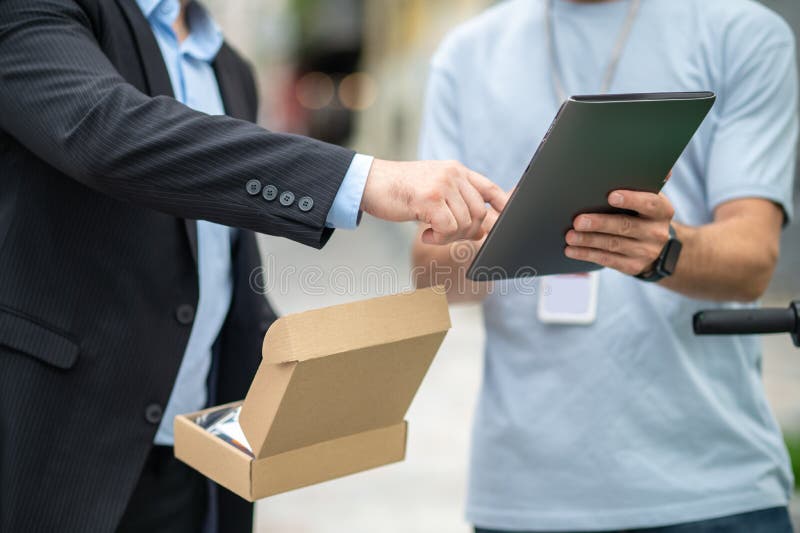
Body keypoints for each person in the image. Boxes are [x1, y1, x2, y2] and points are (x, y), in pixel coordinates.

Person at [0, 1, 507, 532]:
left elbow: (218, 264)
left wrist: (311, 379)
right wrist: (359, 180)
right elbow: (105, 132)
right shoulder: (39, 11)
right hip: (54, 448)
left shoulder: (228, 67)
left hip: (195, 461)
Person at [413, 0, 798, 531]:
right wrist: (501, 241)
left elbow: (753, 260)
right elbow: (428, 275)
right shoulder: (465, 52)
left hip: (709, 490)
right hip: (523, 496)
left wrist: (661, 249)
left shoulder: (741, 31)